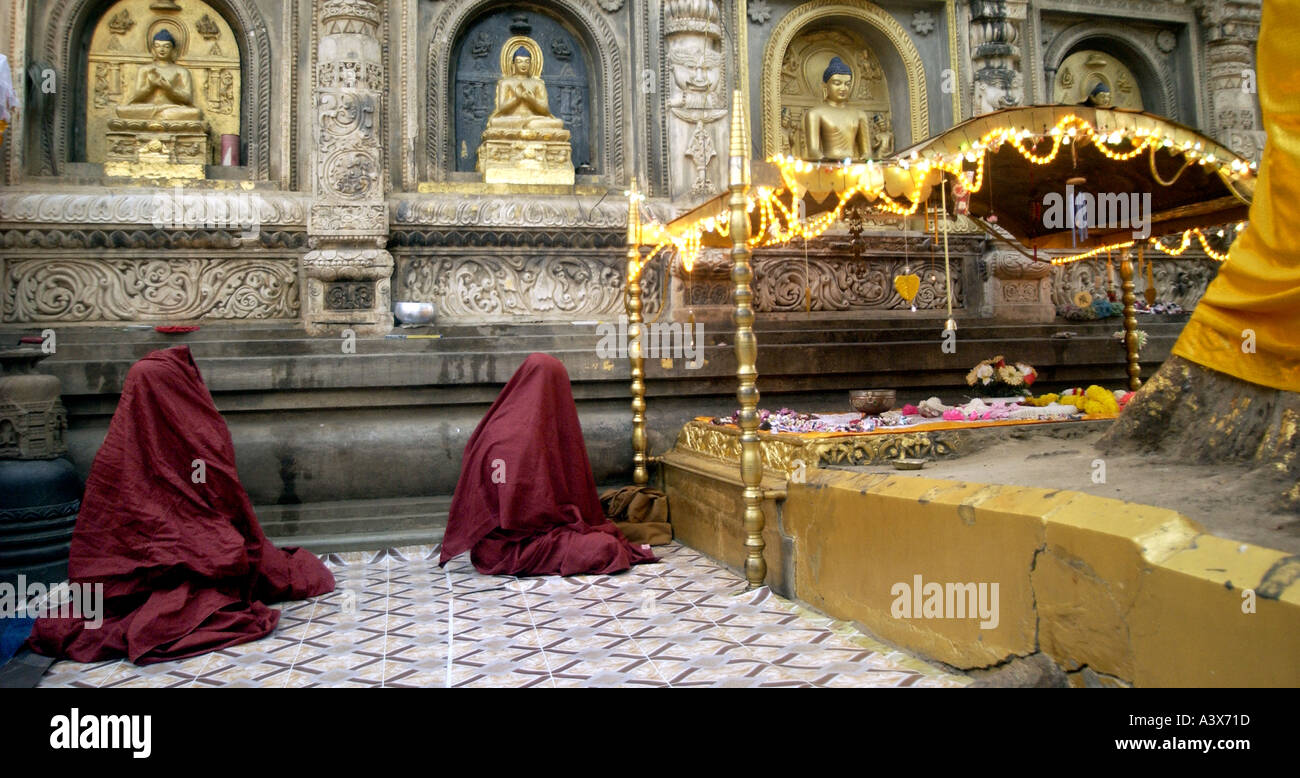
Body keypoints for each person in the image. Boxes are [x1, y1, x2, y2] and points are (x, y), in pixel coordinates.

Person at [27, 346, 334, 664]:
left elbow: (222, 503)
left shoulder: (195, 436)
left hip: (179, 555)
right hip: (160, 560)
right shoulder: (135, 445)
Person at [439, 353, 657, 576]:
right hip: (512, 547)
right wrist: (565, 517)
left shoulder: (504, 427)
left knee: (602, 541)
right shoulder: (512, 440)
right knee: (606, 548)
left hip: (494, 548)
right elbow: (520, 513)